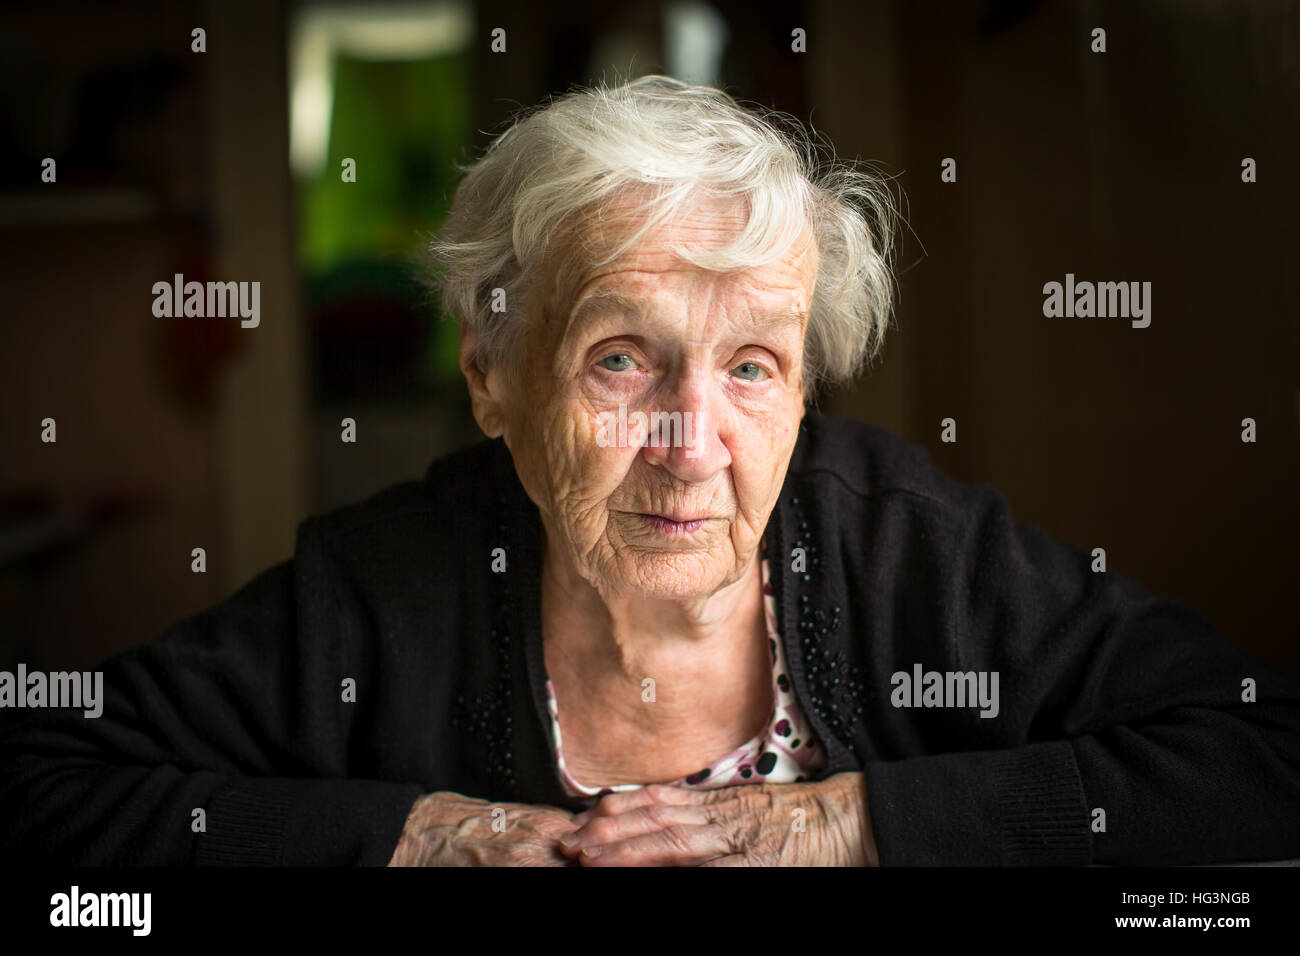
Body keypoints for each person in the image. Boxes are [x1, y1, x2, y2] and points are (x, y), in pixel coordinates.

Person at [2, 75, 1297, 867]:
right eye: (623, 358)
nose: (693, 444)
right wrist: (414, 836)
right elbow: (42, 784)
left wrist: (858, 827)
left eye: (752, 367)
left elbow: (1260, 749)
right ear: (493, 376)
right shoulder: (382, 589)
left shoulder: (910, 548)